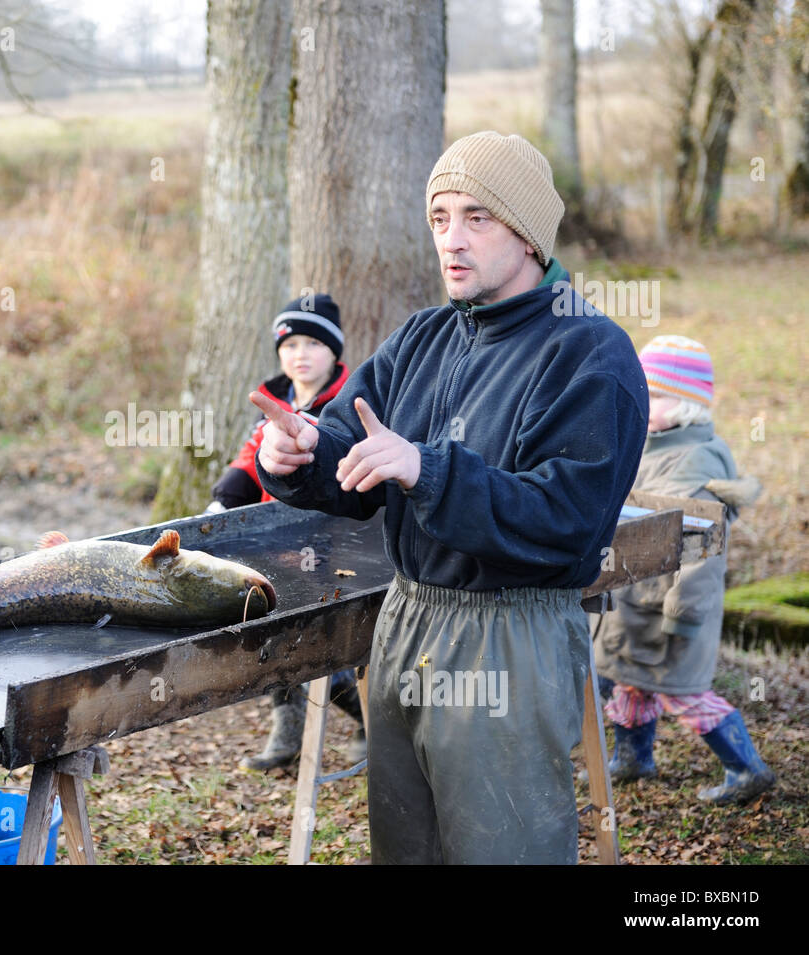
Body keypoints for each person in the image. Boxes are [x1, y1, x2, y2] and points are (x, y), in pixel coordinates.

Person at [255, 131, 649, 864]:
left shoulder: (590, 352)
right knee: (408, 849)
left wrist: (428, 471)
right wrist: (298, 455)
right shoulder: (423, 337)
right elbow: (349, 449)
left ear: (529, 235)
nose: (451, 240)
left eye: (477, 217)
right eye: (439, 218)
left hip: (510, 638)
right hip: (406, 623)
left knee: (505, 851)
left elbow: (565, 521)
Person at [594, 335, 773, 805]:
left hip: (666, 609)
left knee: (683, 694)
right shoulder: (649, 445)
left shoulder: (693, 464)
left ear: (689, 405)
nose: (645, 403)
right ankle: (634, 756)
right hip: (633, 598)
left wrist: (683, 614)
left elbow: (701, 552)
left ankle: (746, 768)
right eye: (643, 390)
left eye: (658, 395)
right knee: (629, 681)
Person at [205, 295, 366, 770]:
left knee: (314, 643)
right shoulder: (271, 402)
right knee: (272, 631)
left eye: (313, 343)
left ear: (334, 352)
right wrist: (224, 501)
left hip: (331, 543)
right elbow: (250, 458)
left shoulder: (346, 402)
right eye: (291, 343)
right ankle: (287, 730)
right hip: (274, 543)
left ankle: (366, 718)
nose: (301, 353)